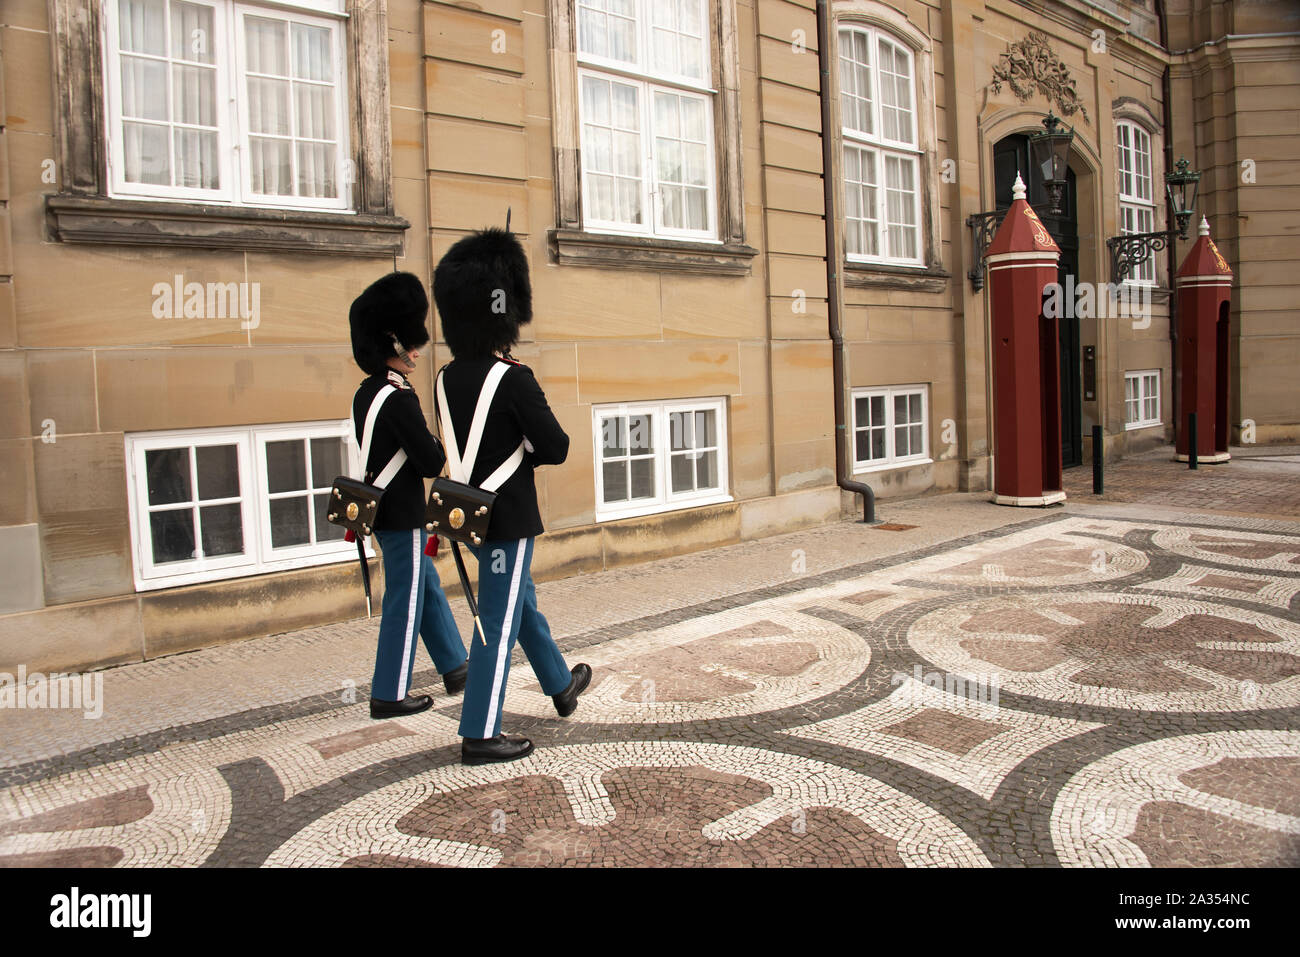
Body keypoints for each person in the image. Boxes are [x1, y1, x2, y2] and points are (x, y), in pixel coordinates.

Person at [432, 228, 590, 766]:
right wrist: (526, 446)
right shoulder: (513, 378)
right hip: (508, 518)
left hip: (467, 514)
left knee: (517, 602)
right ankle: (479, 732)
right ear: (505, 314)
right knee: (496, 622)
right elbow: (556, 446)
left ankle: (560, 683)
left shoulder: (443, 377)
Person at [348, 272, 469, 718]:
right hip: (400, 514)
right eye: (411, 341)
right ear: (392, 340)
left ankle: (456, 667)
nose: (417, 349)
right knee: (406, 597)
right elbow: (428, 460)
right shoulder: (397, 396)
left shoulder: (368, 391)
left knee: (427, 586)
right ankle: (389, 692)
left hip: (386, 510)